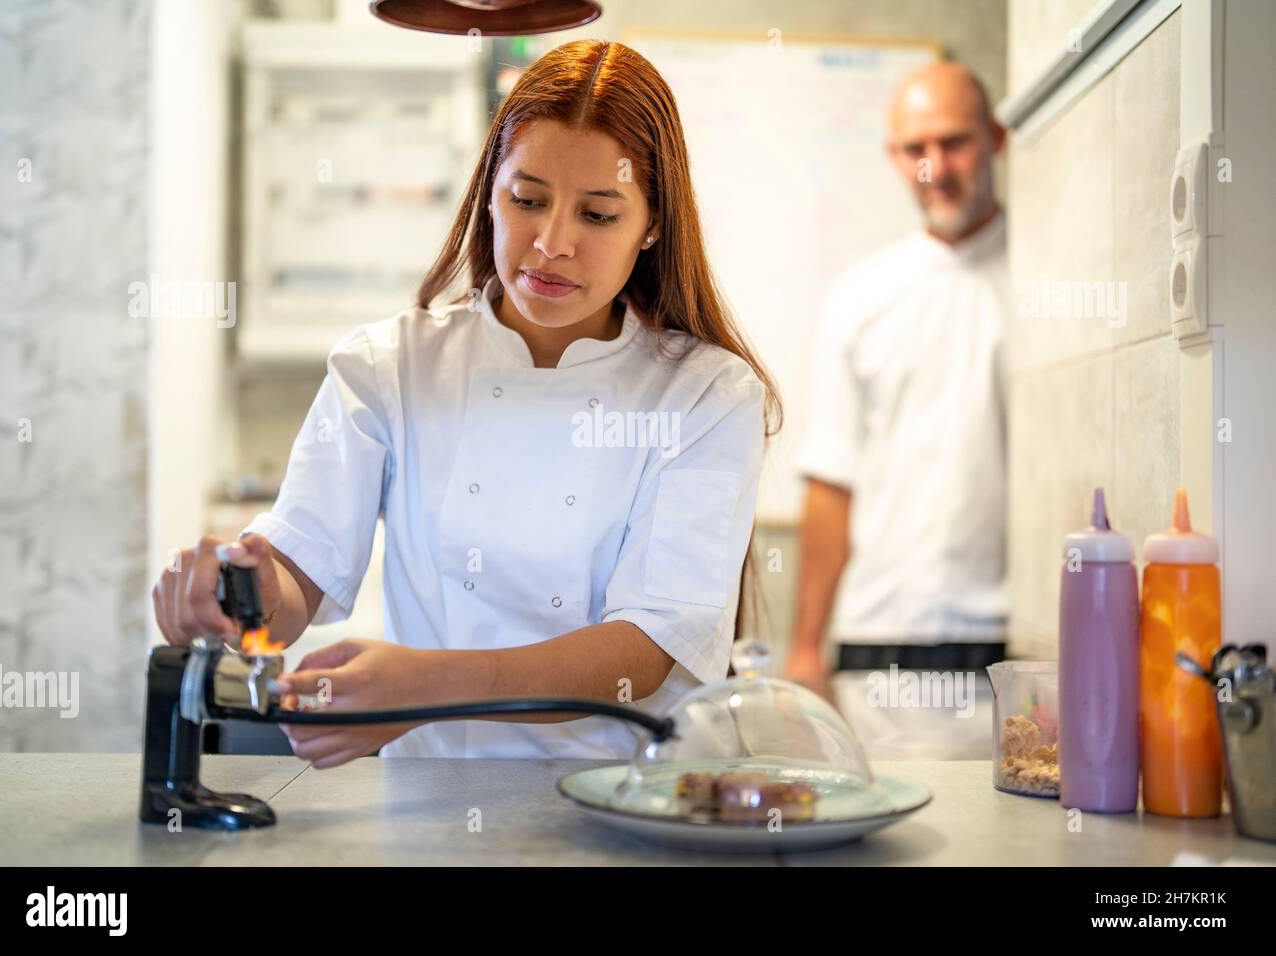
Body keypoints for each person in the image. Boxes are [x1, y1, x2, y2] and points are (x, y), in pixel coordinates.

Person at [151, 40, 781, 767]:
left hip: (624, 810)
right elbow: (299, 575)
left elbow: (645, 651)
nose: (551, 243)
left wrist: (424, 686)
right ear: (488, 191)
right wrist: (238, 590)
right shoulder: (392, 365)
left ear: (654, 225)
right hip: (428, 811)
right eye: (528, 199)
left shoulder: (707, 394)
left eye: (598, 215)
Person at [783, 60, 1008, 759]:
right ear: (893, 156)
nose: (935, 166)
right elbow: (831, 478)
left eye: (955, 141)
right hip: (875, 646)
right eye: (916, 148)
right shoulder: (859, 297)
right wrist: (804, 648)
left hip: (1011, 647)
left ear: (996, 139)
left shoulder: (1046, 282)